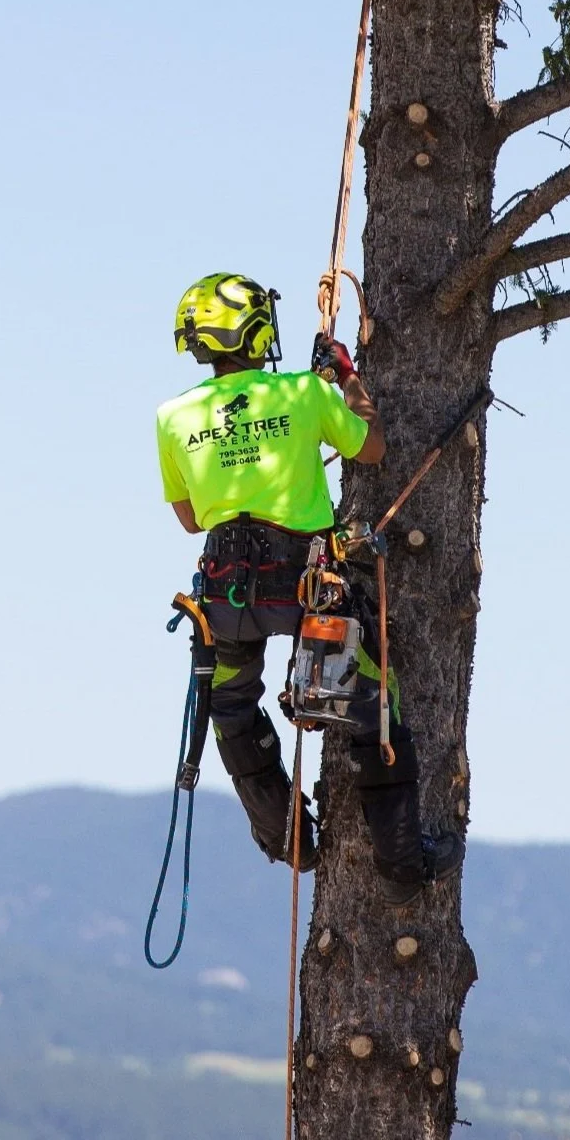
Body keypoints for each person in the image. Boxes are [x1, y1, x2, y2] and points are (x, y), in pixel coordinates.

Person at [156, 272, 463, 902]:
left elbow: (190, 519)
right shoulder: (302, 391)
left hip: (227, 593)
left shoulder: (173, 417)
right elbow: (371, 446)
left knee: (233, 713)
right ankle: (403, 863)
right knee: (372, 700)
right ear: (257, 330)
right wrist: (345, 375)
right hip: (306, 583)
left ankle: (288, 837)